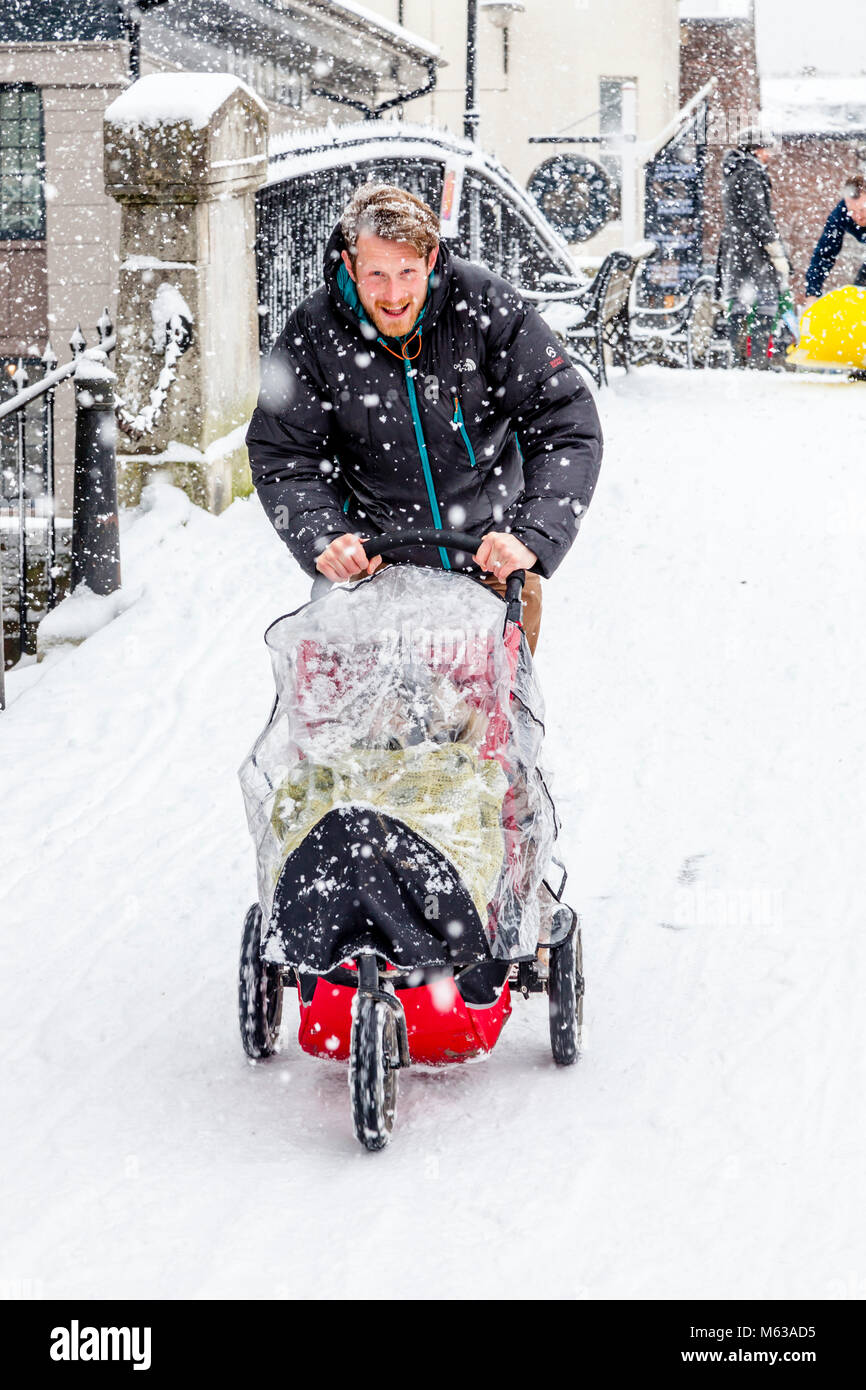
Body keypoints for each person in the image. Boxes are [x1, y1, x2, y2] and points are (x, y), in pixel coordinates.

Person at [245, 183, 603, 654]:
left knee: (485, 721)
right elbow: (284, 453)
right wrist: (324, 534)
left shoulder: (485, 306)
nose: (393, 294)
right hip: (379, 578)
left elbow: (566, 423)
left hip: (491, 569)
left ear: (432, 260)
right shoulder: (314, 331)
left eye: (407, 272)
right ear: (350, 265)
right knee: (386, 725)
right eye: (375, 274)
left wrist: (532, 535)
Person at [716, 128, 790, 369]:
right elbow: (758, 214)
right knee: (766, 300)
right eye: (766, 148)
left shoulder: (734, 170)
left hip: (735, 245)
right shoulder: (750, 172)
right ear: (757, 149)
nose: (768, 154)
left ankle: (740, 360)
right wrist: (774, 249)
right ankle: (758, 362)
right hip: (752, 249)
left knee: (738, 302)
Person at [804, 174, 866, 308]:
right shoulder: (841, 214)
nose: (858, 216)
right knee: (858, 296)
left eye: (862, 209)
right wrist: (812, 293)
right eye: (852, 211)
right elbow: (824, 253)